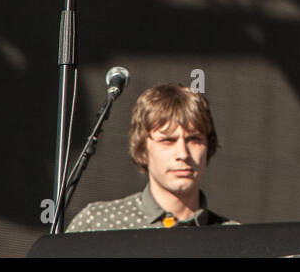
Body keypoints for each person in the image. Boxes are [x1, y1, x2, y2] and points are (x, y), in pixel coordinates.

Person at [66, 83, 237, 232]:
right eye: (168, 140)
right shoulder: (99, 223)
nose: (183, 154)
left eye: (194, 139)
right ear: (143, 148)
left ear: (209, 146)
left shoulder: (235, 237)